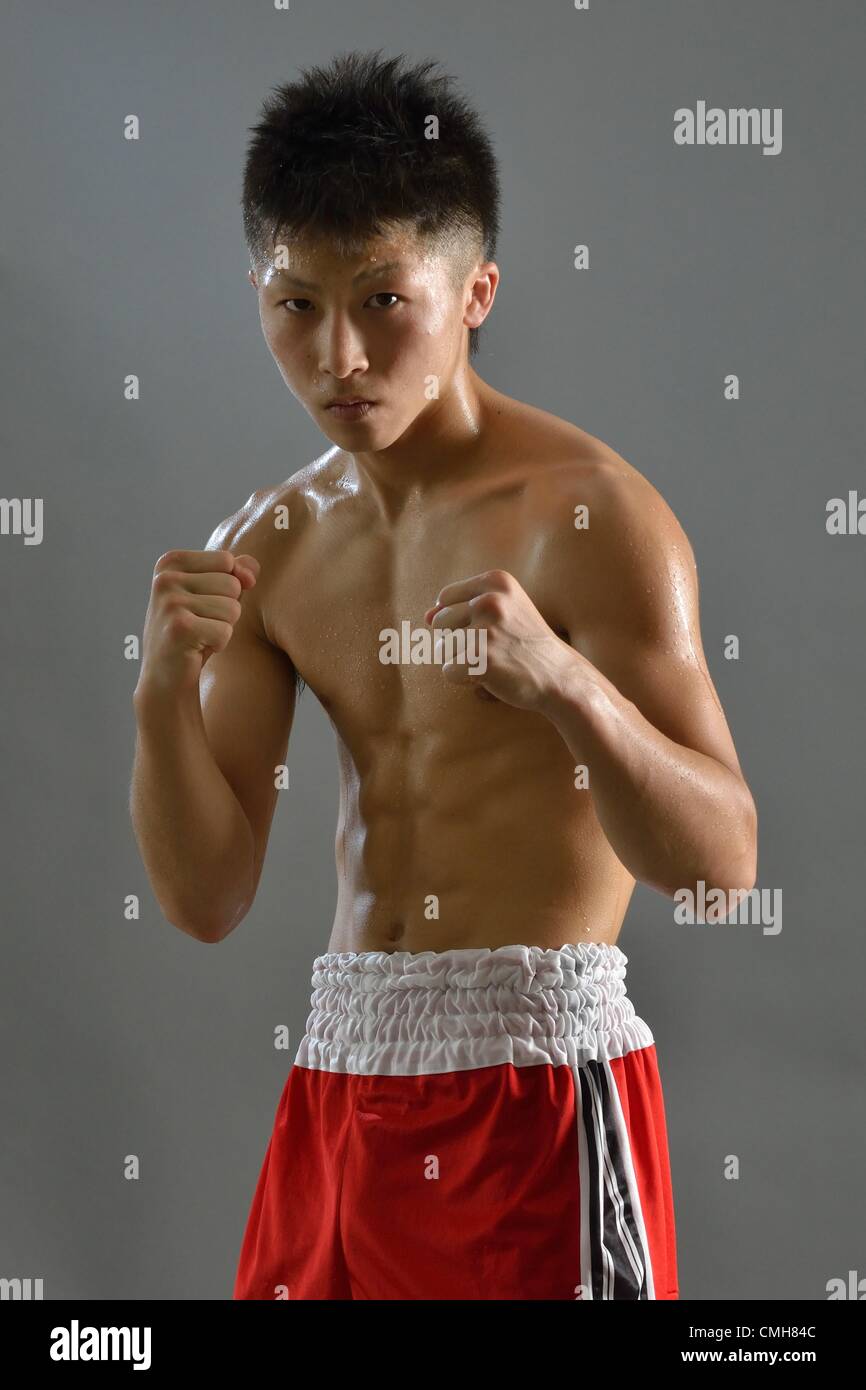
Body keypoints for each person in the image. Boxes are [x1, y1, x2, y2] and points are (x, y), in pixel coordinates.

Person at [130, 49, 757, 1300]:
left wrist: (568, 688)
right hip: (338, 1076)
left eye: (382, 301)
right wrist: (156, 701)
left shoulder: (592, 517)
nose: (339, 357)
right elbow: (208, 899)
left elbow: (721, 869)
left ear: (474, 291)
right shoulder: (273, 543)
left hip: (534, 1095)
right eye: (295, 304)